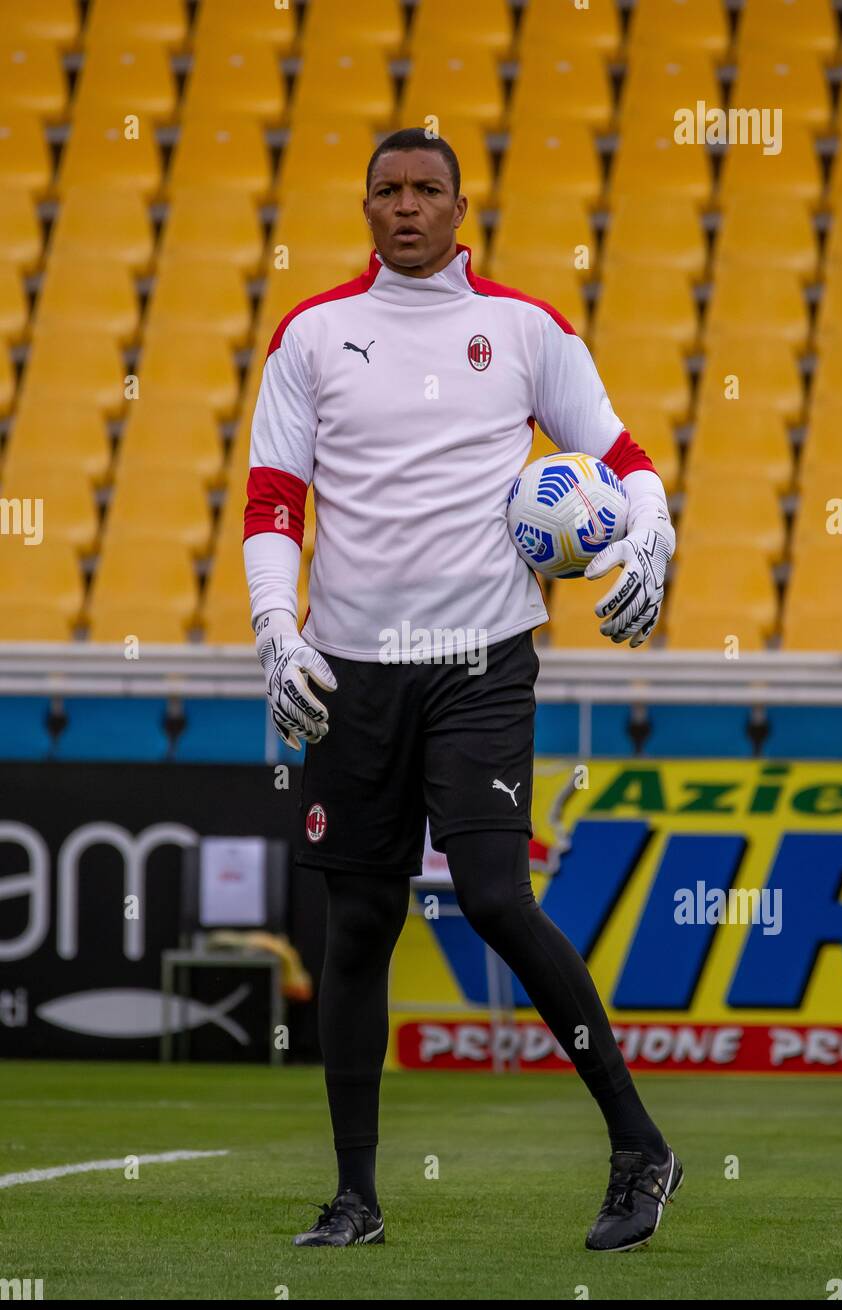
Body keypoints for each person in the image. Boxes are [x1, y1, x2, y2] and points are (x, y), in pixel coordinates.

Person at [243, 128, 681, 1252]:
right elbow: (272, 502)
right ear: (363, 206)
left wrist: (650, 534)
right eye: (385, 190)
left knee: (492, 894)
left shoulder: (526, 329)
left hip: (482, 656)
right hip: (351, 668)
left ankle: (637, 1145)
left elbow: (623, 459)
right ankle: (356, 1197)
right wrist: (275, 630)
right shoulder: (311, 336)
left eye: (424, 189)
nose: (404, 207)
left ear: (457, 203)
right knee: (357, 923)